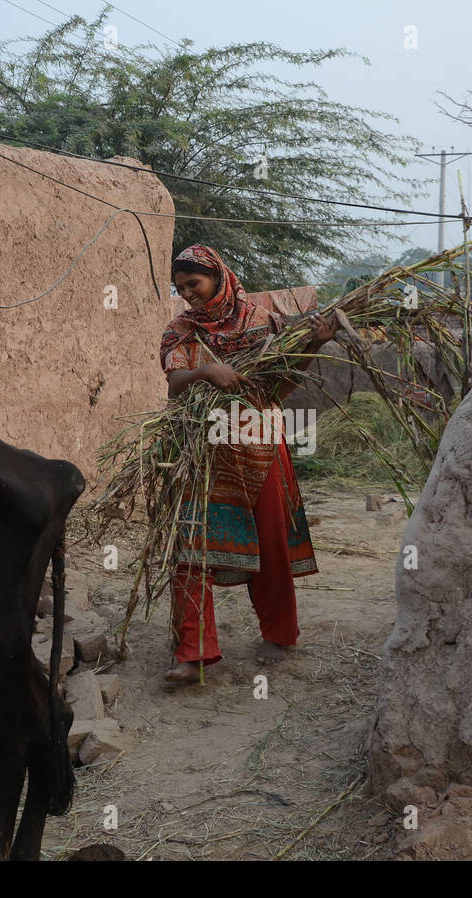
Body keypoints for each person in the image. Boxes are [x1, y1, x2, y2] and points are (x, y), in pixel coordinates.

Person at [160, 244, 336, 684]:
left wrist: (315, 341)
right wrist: (207, 372)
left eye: (193, 283)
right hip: (205, 453)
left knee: (271, 543)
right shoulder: (181, 330)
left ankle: (279, 634)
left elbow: (281, 384)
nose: (187, 294)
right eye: (180, 287)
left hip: (261, 445)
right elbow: (174, 385)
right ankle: (192, 652)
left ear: (219, 276)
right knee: (191, 550)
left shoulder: (262, 322)